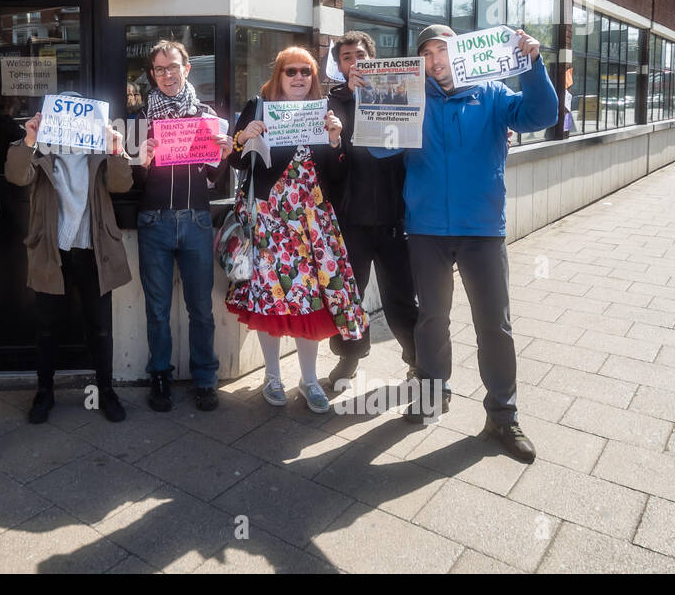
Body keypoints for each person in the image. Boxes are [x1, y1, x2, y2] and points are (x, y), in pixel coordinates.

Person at [372, 24, 558, 464]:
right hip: (427, 229)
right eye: (428, 54)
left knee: (495, 324)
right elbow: (380, 150)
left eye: (443, 51)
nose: (436, 61)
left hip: (482, 229)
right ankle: (434, 394)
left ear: (460, 53)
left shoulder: (492, 95)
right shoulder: (410, 98)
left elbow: (541, 115)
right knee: (432, 319)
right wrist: (373, 95)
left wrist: (532, 65)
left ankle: (502, 415)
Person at [227, 47, 368, 412]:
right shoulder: (258, 106)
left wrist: (337, 140)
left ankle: (308, 379)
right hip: (268, 220)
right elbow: (232, 161)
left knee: (312, 301)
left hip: (311, 224)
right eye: (291, 71)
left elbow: (338, 176)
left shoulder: (323, 112)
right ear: (279, 74)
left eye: (306, 71)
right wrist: (245, 138)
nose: (299, 77)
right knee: (269, 298)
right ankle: (272, 376)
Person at [6, 109, 132, 423]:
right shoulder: (41, 150)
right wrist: (30, 140)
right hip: (52, 251)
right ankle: (44, 392)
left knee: (101, 328)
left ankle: (106, 391)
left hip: (93, 249)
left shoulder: (101, 150)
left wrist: (116, 150)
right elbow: (16, 175)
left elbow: (121, 185)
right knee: (47, 328)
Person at [136, 40, 233, 412]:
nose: (167, 75)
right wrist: (139, 163)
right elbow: (130, 181)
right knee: (157, 309)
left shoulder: (207, 116)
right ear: (152, 75)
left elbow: (212, 176)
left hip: (195, 219)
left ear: (186, 69)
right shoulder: (140, 118)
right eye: (159, 70)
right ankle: (159, 375)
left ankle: (205, 379)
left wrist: (223, 155)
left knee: (201, 308)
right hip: (154, 220)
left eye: (172, 67)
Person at [323, 32, 420, 389]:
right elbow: (328, 159)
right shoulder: (332, 104)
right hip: (352, 221)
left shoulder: (398, 94)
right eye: (347, 57)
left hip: (395, 219)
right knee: (349, 297)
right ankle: (349, 357)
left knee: (401, 300)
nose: (355, 62)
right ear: (341, 64)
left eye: (361, 55)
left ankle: (416, 361)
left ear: (374, 58)